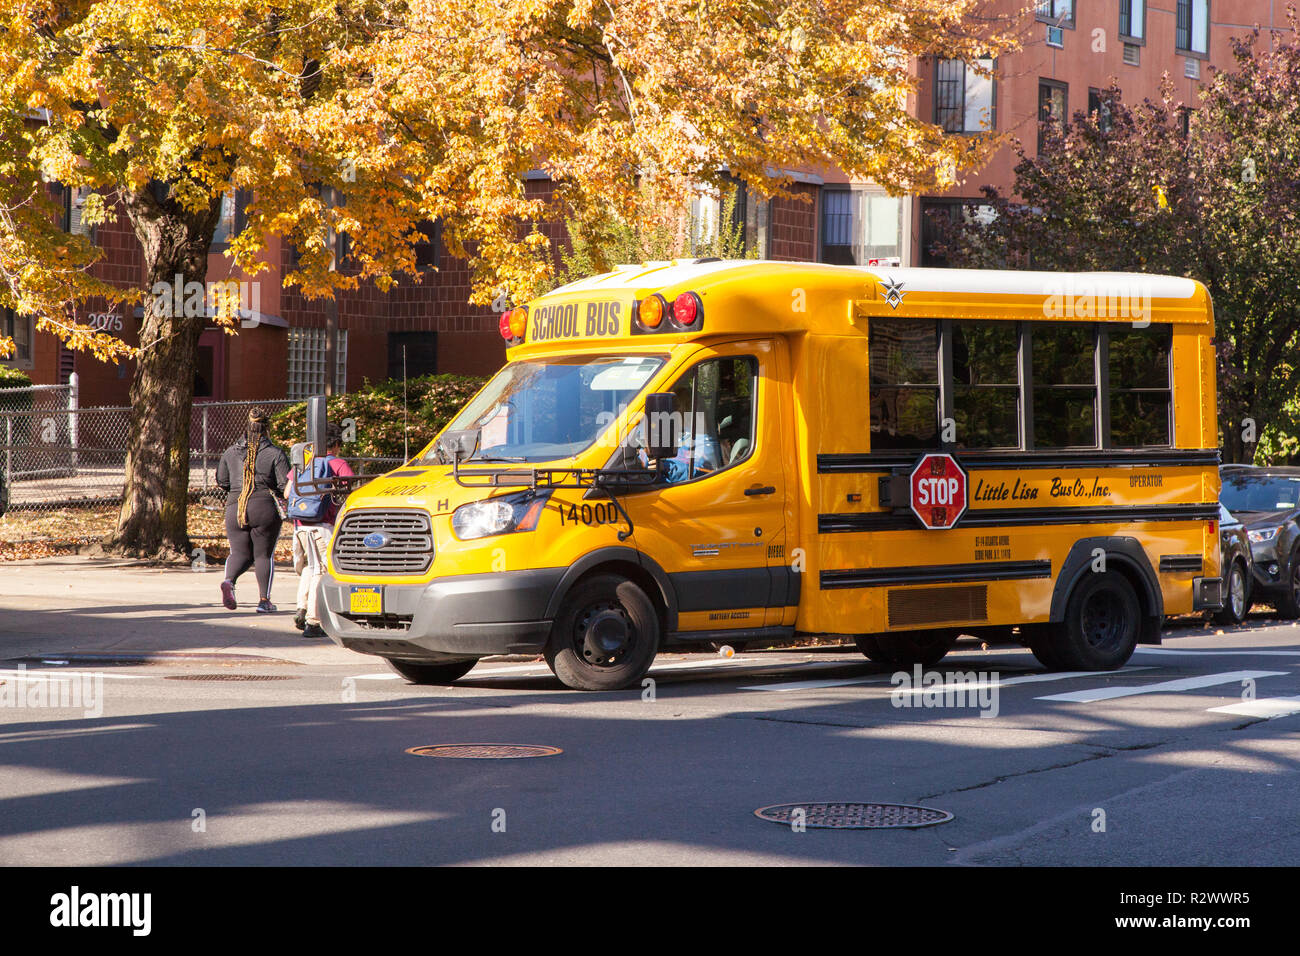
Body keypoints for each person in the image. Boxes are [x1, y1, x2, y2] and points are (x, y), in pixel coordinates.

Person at [216, 406, 290, 612]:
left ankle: (229, 581)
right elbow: (285, 485)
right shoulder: (275, 453)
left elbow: (222, 481)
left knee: (239, 552)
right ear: (267, 428)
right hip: (264, 507)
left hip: (235, 507)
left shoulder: (230, 451)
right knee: (263, 556)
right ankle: (264, 601)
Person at [285, 423, 354, 638]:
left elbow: (288, 493)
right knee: (322, 570)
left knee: (309, 567)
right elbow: (352, 488)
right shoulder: (337, 463)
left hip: (300, 527)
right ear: (335, 444)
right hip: (322, 525)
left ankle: (302, 609)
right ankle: (314, 623)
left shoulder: (305, 461)